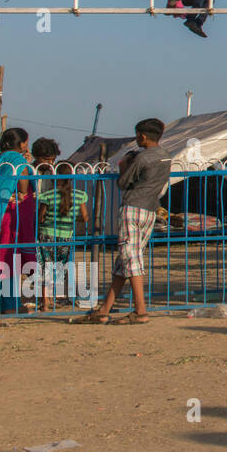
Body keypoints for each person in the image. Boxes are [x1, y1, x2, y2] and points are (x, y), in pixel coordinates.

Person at [80, 119, 172, 324]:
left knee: (131, 258)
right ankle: (104, 310)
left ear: (142, 136)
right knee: (124, 260)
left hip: (132, 208)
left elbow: (123, 182)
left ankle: (141, 310)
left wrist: (124, 166)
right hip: (150, 209)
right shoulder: (166, 157)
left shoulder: (142, 159)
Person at [37, 153, 88, 313]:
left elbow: (40, 218)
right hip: (66, 235)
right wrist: (73, 218)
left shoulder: (46, 196)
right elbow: (85, 217)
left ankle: (45, 301)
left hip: (46, 235)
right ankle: (55, 297)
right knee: (59, 267)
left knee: (45, 267)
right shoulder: (80, 195)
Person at [0, 129, 35, 314]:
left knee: (1, 256)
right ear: (22, 145)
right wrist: (26, 165)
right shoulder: (18, 160)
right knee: (9, 259)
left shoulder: (0, 159)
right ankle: (9, 305)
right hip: (11, 214)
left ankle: (7, 303)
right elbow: (23, 186)